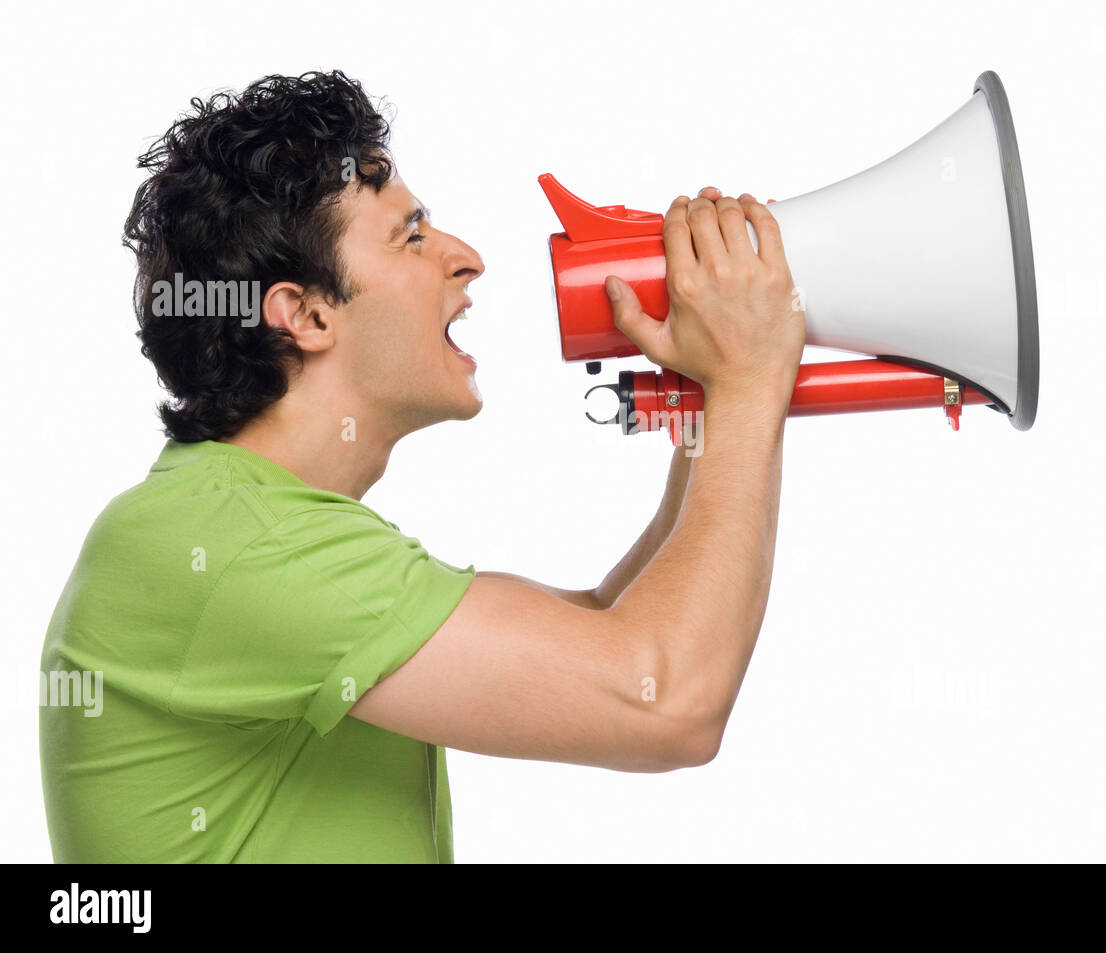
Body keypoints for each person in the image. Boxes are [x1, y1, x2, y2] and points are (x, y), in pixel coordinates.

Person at [38, 69, 805, 862]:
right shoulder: (238, 544)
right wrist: (747, 380)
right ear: (306, 313)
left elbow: (612, 625)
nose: (467, 259)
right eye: (411, 235)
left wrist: (723, 399)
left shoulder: (236, 524)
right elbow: (668, 699)